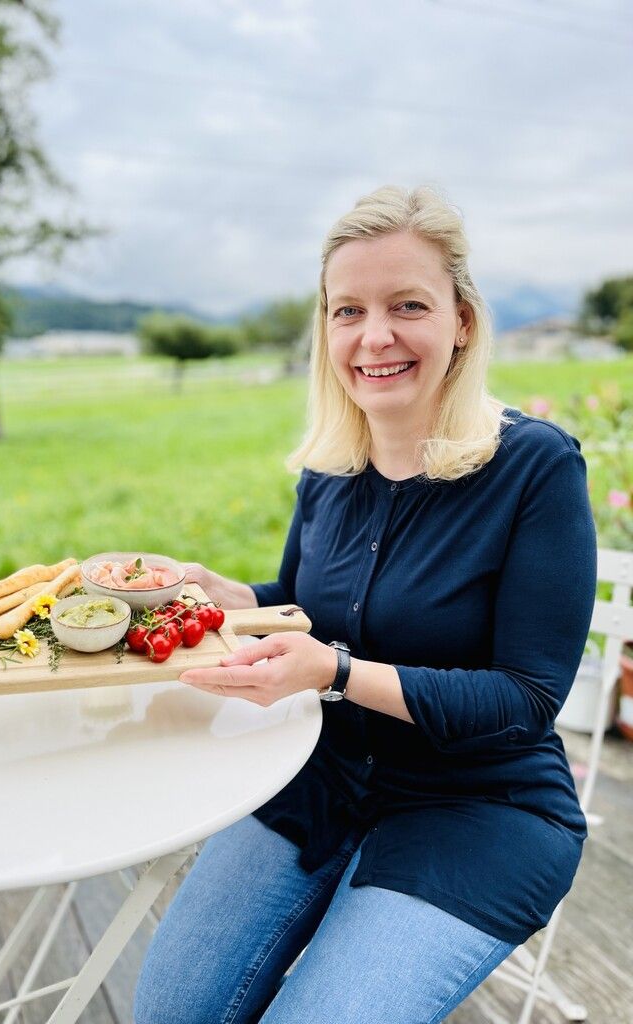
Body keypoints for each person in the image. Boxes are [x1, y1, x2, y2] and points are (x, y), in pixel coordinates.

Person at [133, 185, 597, 1024]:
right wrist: (228, 595)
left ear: (460, 320)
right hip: (317, 776)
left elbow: (526, 701)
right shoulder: (330, 470)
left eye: (406, 304)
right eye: (347, 310)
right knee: (169, 1011)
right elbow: (304, 609)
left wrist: (339, 674)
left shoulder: (536, 468)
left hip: (479, 810)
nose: (373, 335)